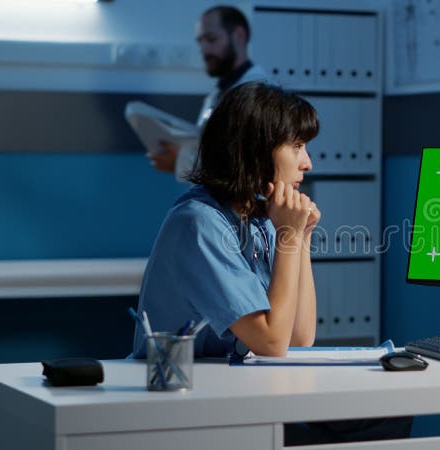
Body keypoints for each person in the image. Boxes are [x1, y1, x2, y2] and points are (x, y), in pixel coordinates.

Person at [132, 82, 412, 445]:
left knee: (389, 413)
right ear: (256, 151)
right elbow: (272, 342)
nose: (307, 162)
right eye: (296, 146)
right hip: (187, 406)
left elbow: (300, 336)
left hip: (235, 391)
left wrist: (302, 236)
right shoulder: (199, 222)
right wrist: (289, 238)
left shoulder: (259, 216)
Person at [148, 5, 270, 181]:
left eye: (211, 39)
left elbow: (247, 164)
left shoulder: (258, 91)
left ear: (239, 35)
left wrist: (180, 162)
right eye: (200, 42)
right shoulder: (218, 94)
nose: (204, 50)